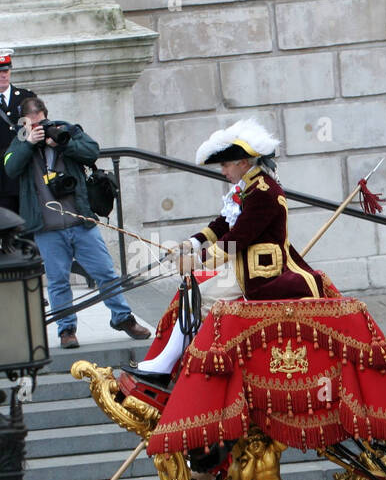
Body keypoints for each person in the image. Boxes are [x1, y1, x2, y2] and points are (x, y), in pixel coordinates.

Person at [131, 117, 322, 384]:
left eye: (225, 164)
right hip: (244, 267)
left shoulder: (263, 192)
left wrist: (198, 261)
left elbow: (238, 238)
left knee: (202, 300)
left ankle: (202, 369)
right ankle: (166, 364)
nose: (222, 171)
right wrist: (194, 242)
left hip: (262, 274)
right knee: (193, 298)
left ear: (242, 163)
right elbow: (223, 223)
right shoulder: (247, 188)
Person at [3, 96, 150, 350]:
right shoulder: (20, 142)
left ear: (48, 116)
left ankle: (123, 318)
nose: (41, 128)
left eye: (43, 122)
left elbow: (92, 150)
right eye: (34, 124)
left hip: (80, 221)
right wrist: (28, 144)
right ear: (25, 123)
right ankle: (66, 329)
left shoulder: (67, 131)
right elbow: (10, 168)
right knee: (58, 280)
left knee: (105, 272)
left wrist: (63, 143)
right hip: (46, 227)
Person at [0, 48, 35, 213]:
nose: (4, 75)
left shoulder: (26, 98)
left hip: (26, 169)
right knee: (8, 227)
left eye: (6, 70)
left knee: (32, 224)